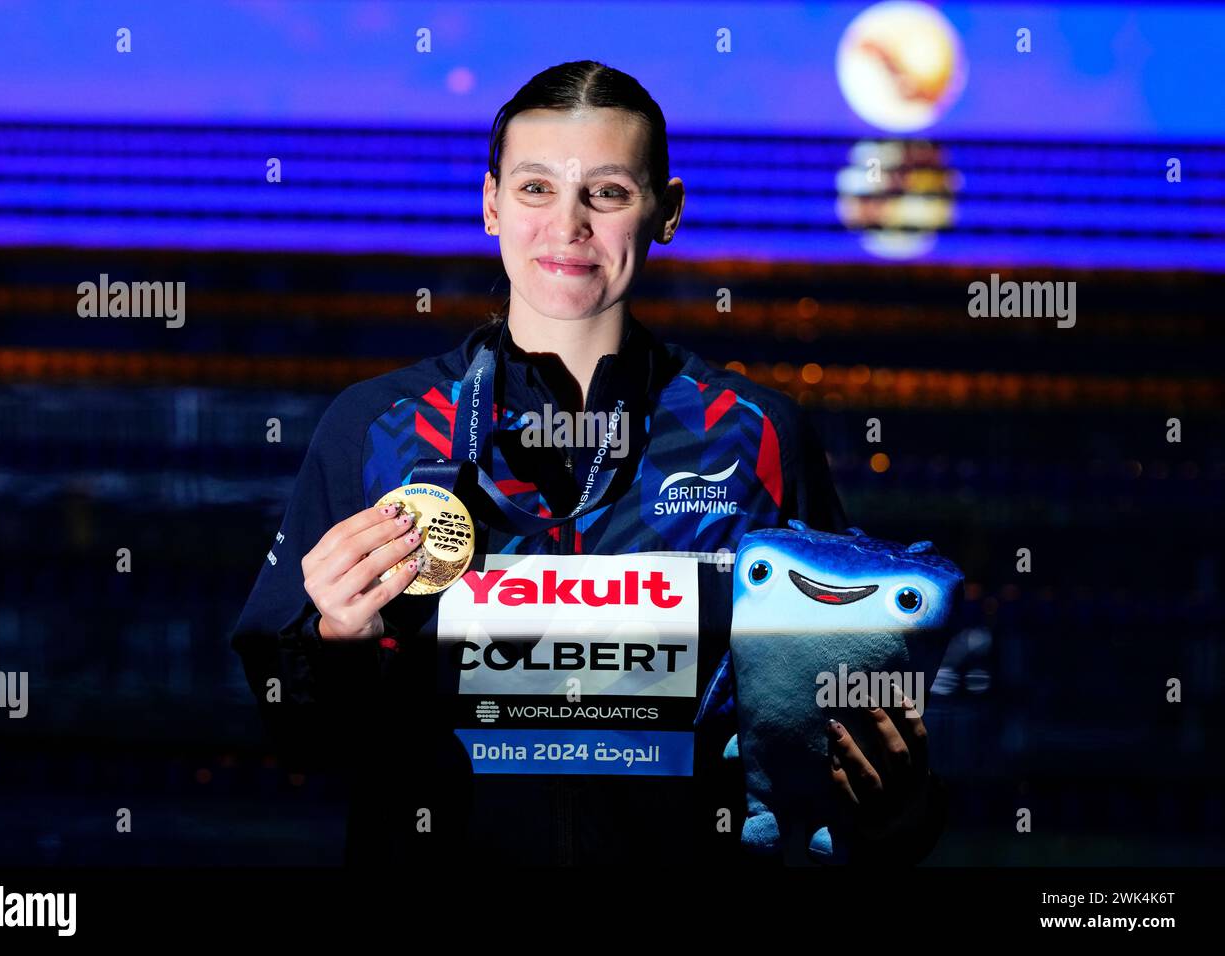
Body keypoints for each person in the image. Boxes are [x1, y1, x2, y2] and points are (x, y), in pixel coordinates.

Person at [230, 59, 946, 867]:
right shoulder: (376, 428)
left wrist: (892, 806)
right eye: (536, 189)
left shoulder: (756, 435)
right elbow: (299, 739)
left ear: (666, 212)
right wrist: (335, 640)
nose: (568, 224)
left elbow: (831, 758)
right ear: (491, 204)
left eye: (607, 192)